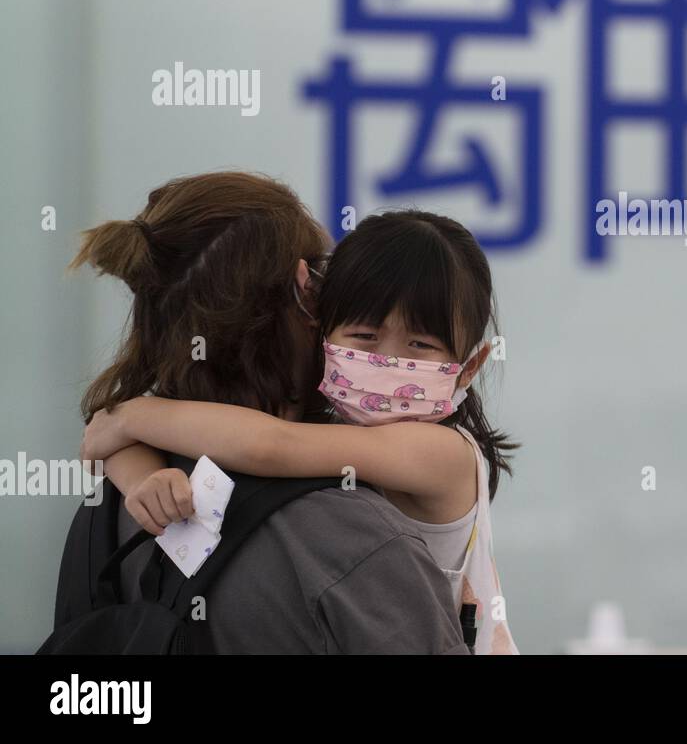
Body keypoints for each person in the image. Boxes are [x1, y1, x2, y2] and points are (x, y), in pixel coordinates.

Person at [83, 209, 521, 654]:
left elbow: (269, 445)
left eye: (420, 346)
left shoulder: (442, 453)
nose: (386, 361)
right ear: (322, 328)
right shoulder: (335, 431)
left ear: (470, 367)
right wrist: (140, 479)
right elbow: (108, 445)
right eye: (365, 335)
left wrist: (130, 415)